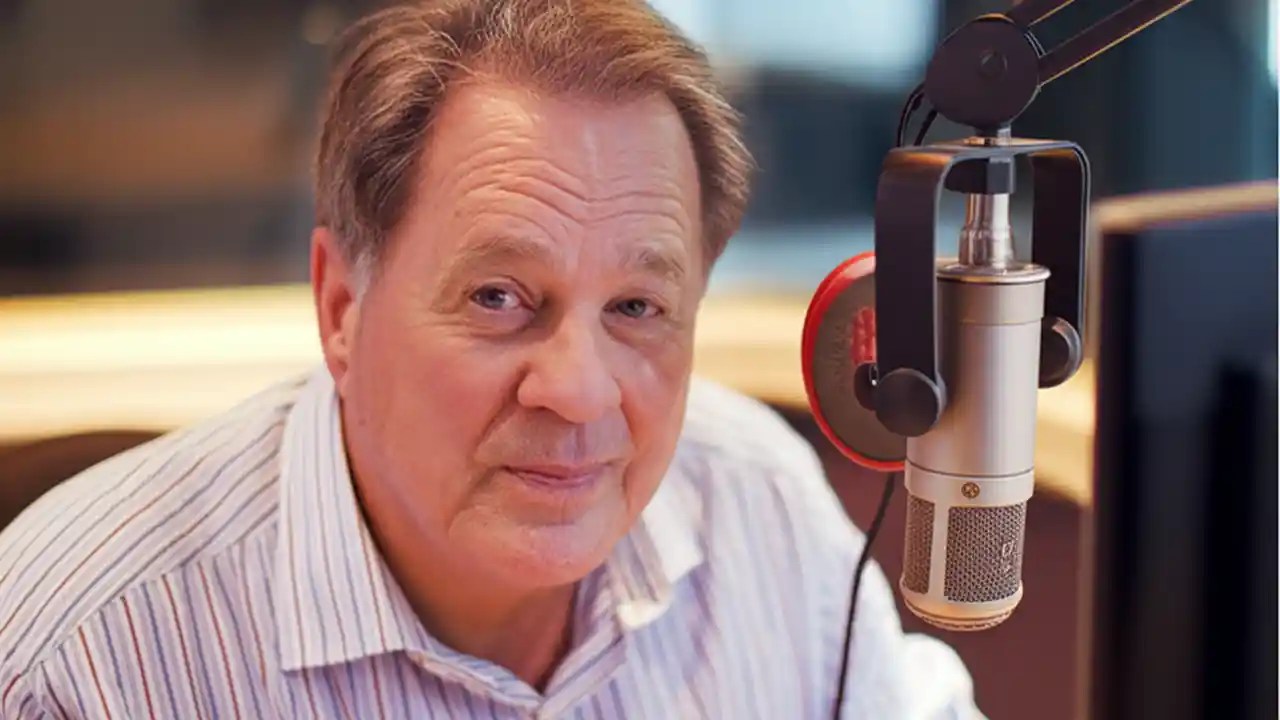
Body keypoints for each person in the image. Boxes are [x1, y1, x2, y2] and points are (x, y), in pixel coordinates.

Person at [0, 1, 980, 717]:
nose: (578, 389)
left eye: (636, 306)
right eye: (499, 298)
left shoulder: (757, 505)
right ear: (341, 306)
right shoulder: (74, 660)